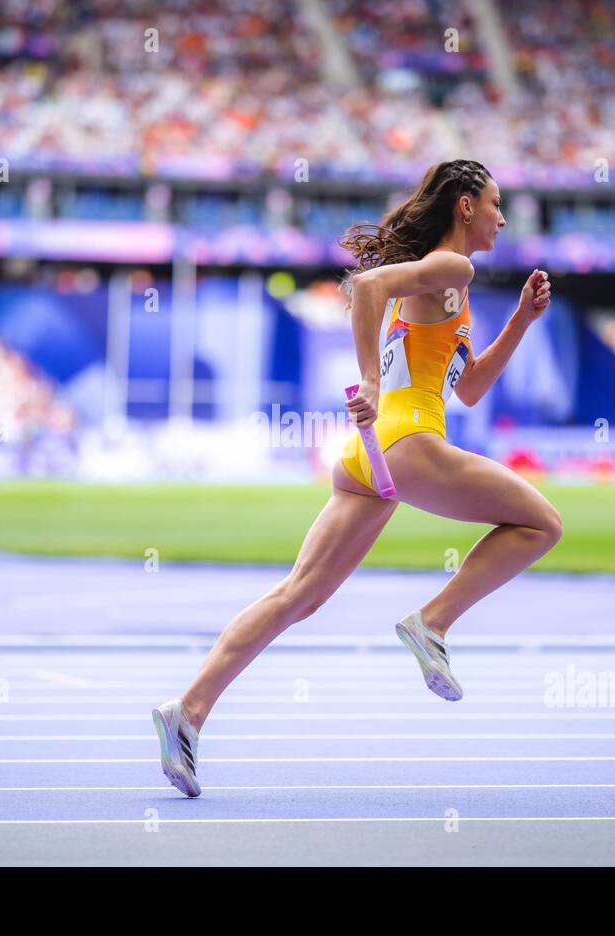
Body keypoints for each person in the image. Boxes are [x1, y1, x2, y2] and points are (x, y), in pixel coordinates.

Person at [152, 159, 560, 797]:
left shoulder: (448, 285)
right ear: (465, 206)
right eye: (496, 204)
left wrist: (521, 322)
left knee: (298, 597)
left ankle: (188, 713)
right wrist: (369, 380)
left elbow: (473, 388)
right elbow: (367, 287)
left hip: (367, 457)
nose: (503, 218)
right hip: (407, 442)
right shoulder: (455, 268)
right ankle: (433, 623)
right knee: (542, 524)